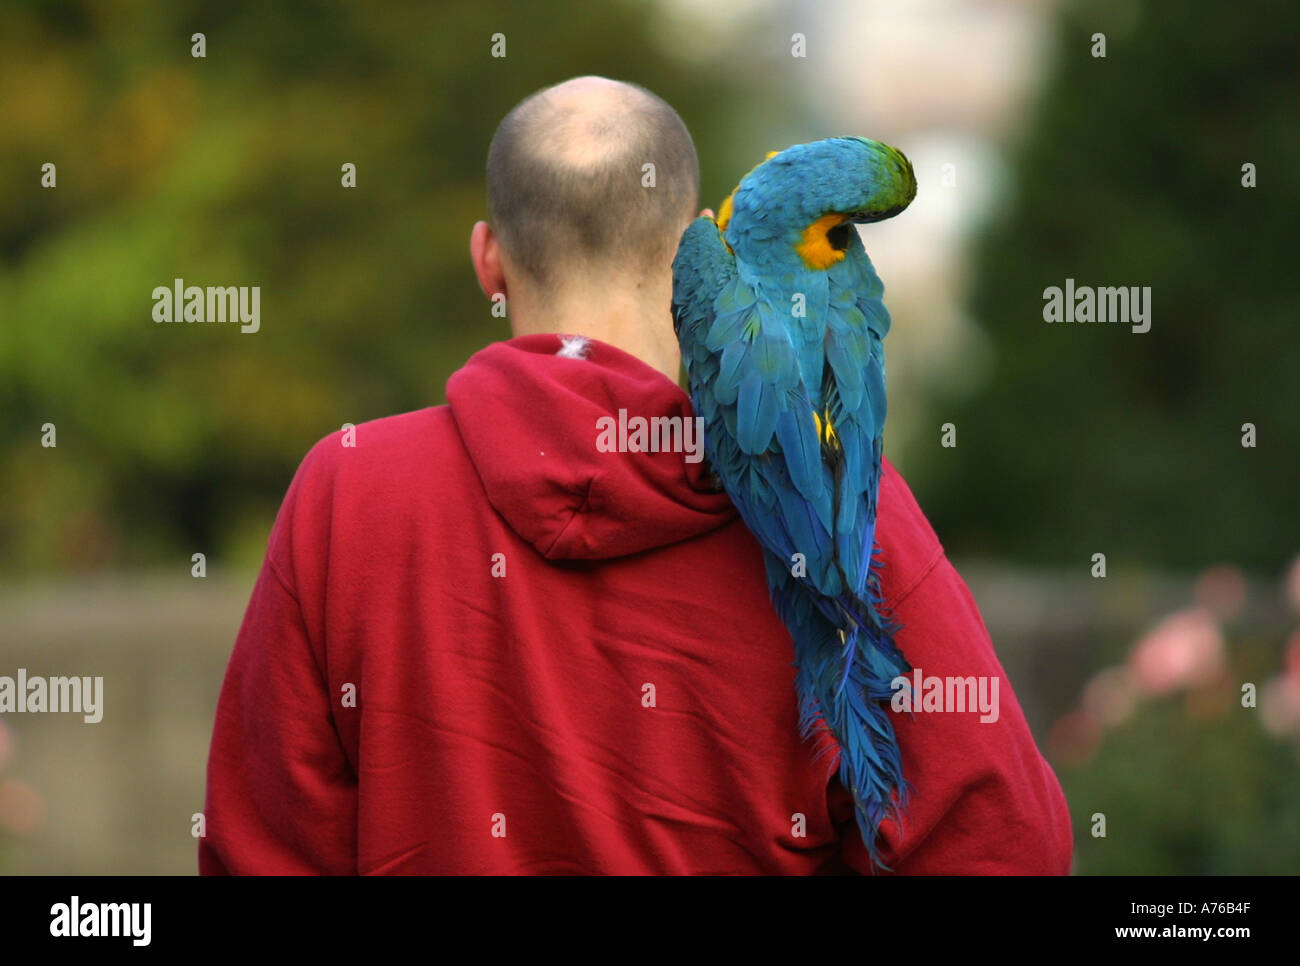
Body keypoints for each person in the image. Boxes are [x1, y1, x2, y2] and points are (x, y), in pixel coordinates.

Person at [200, 76, 1072, 875]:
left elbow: (260, 854)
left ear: (488, 261)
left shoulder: (349, 493)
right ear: (698, 250)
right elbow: (1008, 845)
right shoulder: (835, 501)